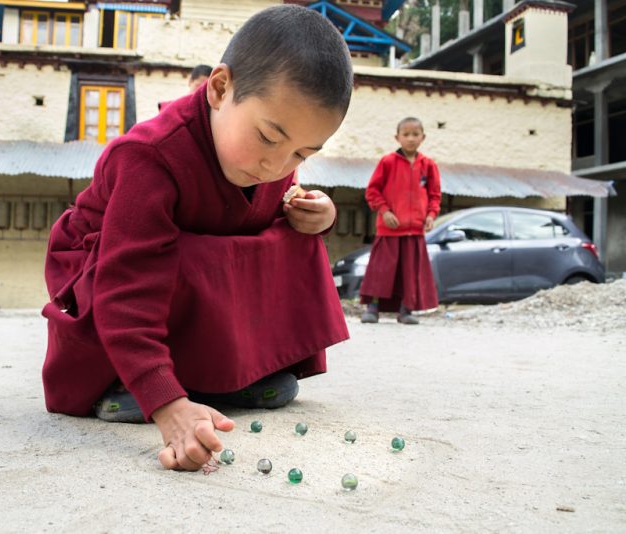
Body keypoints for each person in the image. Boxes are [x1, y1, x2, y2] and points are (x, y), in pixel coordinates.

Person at [42, 5, 352, 472]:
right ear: (220, 88)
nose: (278, 166)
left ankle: (228, 379)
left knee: (294, 236)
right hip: (102, 278)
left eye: (302, 153)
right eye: (269, 137)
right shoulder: (148, 157)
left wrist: (317, 216)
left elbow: (268, 208)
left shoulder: (270, 159)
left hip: (189, 278)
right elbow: (127, 285)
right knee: (182, 257)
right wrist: (166, 407)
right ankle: (125, 383)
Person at [359, 117, 441, 325]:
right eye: (406, 134)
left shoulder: (428, 165)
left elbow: (435, 195)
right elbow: (373, 191)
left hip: (415, 230)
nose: (411, 139)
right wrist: (385, 211)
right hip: (389, 228)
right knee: (381, 271)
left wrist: (431, 215)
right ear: (397, 137)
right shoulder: (387, 162)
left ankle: (406, 310)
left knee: (410, 273)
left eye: (415, 134)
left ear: (423, 137)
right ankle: (373, 308)